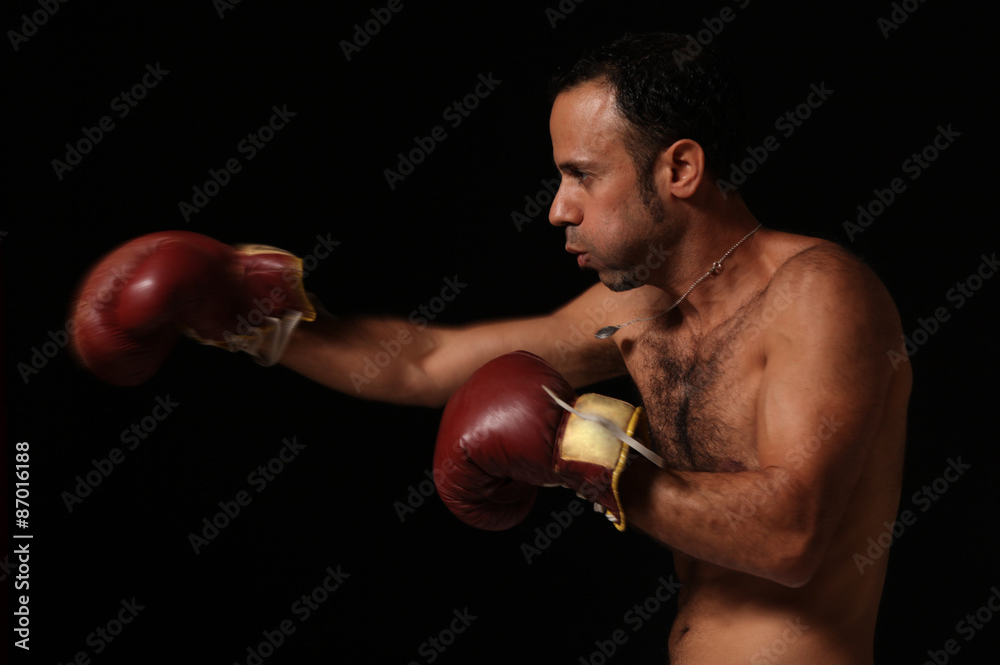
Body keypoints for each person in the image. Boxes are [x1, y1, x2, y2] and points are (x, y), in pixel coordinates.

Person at [71, 33, 910, 664]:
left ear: (680, 169)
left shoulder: (818, 292)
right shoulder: (645, 309)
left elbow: (791, 538)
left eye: (582, 175)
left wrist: (585, 453)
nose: (557, 208)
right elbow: (427, 361)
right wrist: (262, 322)